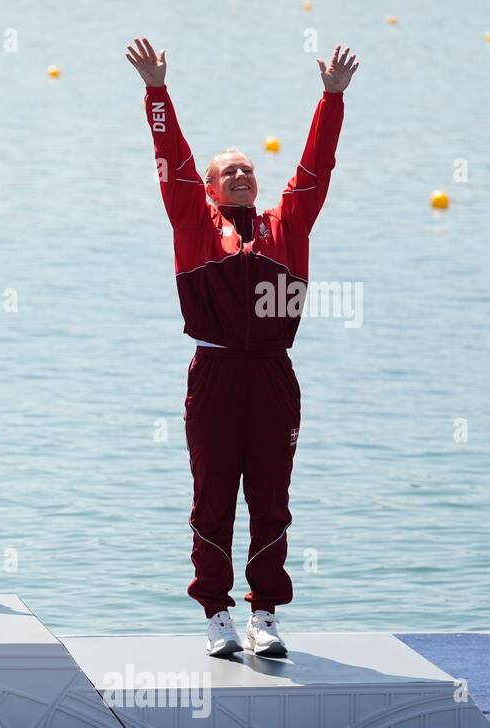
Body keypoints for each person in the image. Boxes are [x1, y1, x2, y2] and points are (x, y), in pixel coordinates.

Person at [126, 37, 358, 657]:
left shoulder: (290, 226)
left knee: (272, 498)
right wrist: (157, 91)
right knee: (213, 495)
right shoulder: (193, 224)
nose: (242, 174)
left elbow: (318, 165)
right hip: (216, 374)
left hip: (274, 377)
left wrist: (330, 100)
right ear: (207, 188)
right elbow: (170, 156)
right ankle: (216, 614)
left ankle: (267, 615)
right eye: (229, 169)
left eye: (249, 168)